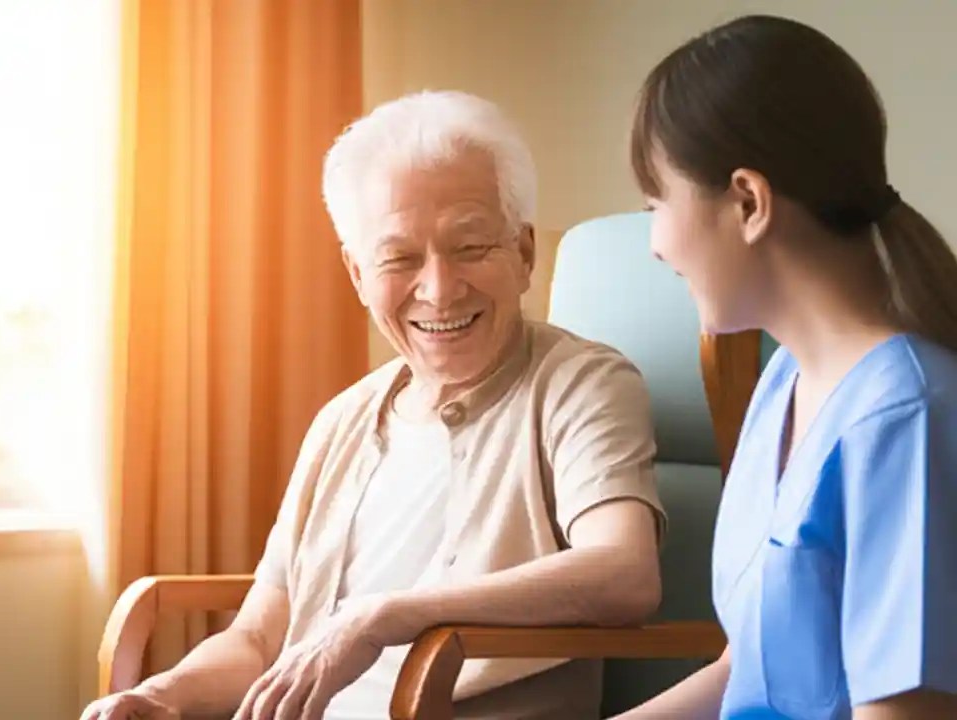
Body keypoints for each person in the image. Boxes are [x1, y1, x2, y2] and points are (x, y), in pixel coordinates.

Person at [81, 91, 666, 720]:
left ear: (523, 254)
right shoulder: (344, 420)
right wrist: (157, 697)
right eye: (399, 258)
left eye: (470, 247)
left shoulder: (581, 384)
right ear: (358, 275)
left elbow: (624, 573)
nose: (439, 290)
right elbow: (256, 641)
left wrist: (390, 614)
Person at [617, 15, 957, 720]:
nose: (653, 244)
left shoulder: (906, 417)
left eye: (656, 204)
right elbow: (747, 672)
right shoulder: (783, 382)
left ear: (748, 200)